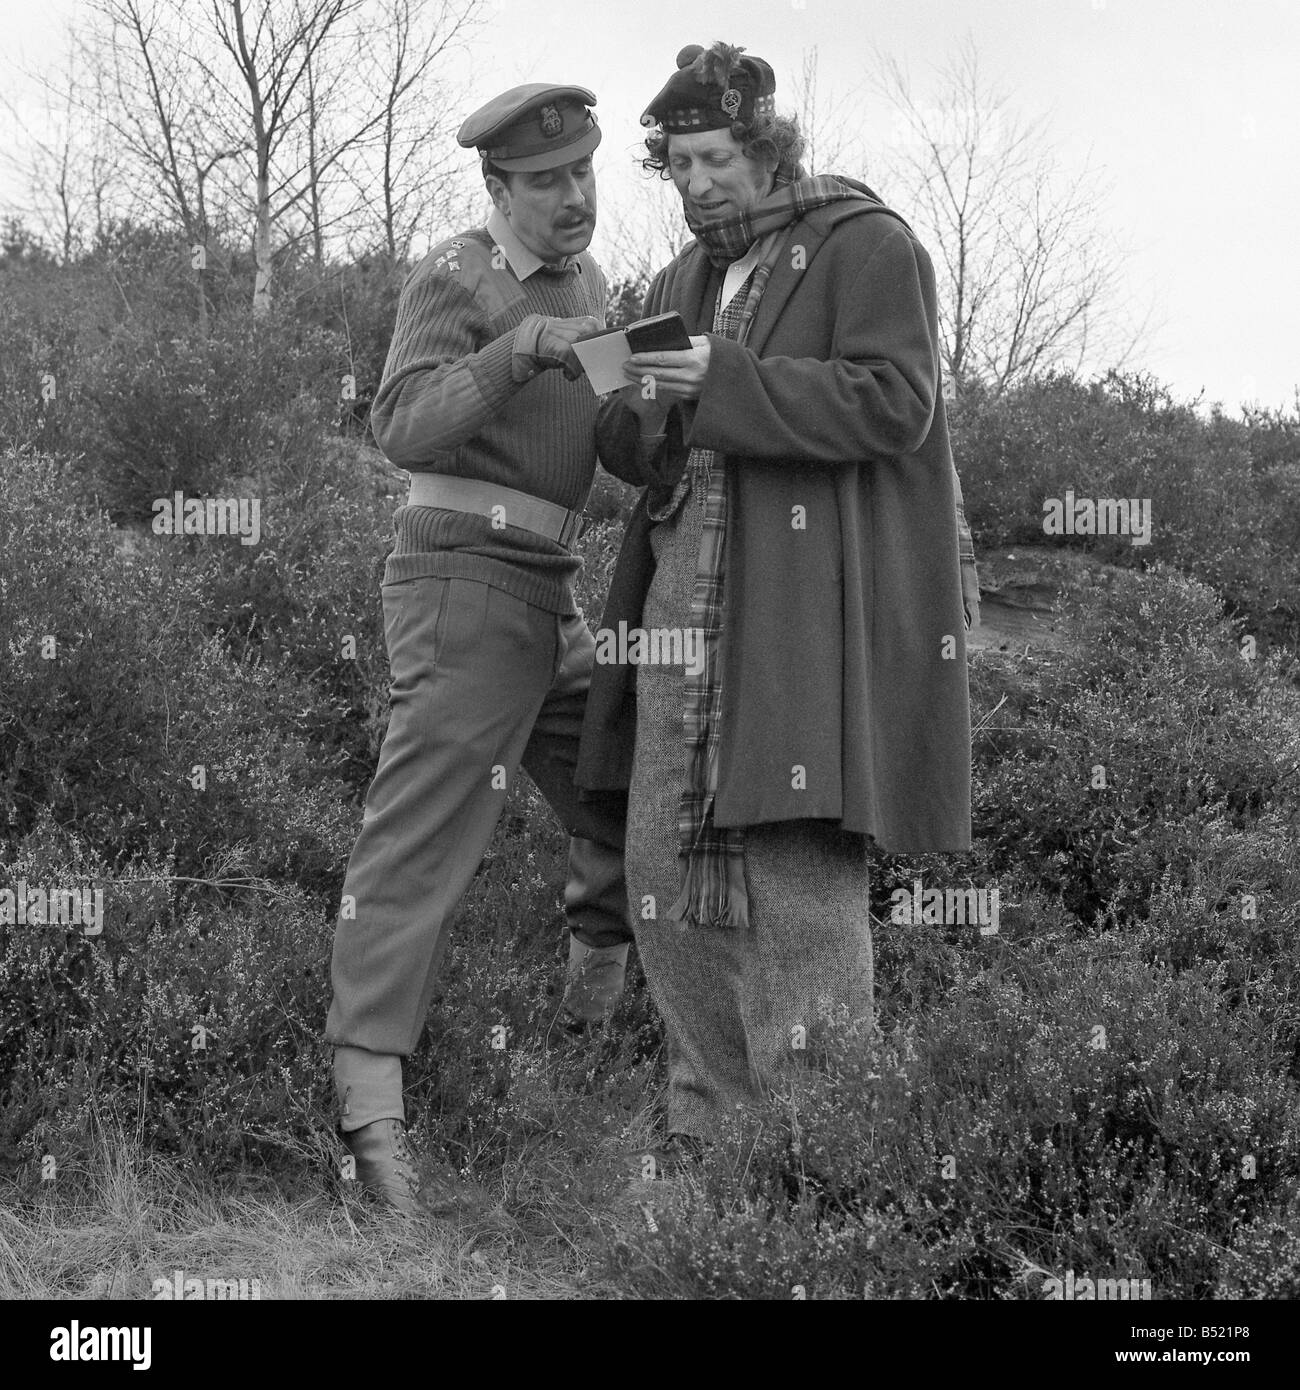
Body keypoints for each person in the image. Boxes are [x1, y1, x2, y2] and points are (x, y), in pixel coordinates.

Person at [576, 42, 973, 1152]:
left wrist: (726, 379)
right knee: (662, 864)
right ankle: (711, 1145)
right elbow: (630, 444)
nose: (697, 183)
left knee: (792, 872)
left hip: (800, 613)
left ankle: (826, 1161)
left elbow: (895, 402)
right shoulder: (680, 282)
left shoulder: (868, 244)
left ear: (766, 149)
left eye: (715, 158)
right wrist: (638, 403)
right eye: (678, 165)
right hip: (678, 607)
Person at [326, 82, 633, 1215]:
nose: (573, 197)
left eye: (583, 173)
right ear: (498, 188)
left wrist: (666, 392)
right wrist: (517, 352)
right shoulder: (455, 276)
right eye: (545, 181)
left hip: (551, 593)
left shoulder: (592, 288)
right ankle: (370, 1128)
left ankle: (586, 1029)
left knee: (625, 785)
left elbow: (617, 441)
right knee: (418, 848)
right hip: (461, 588)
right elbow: (399, 426)